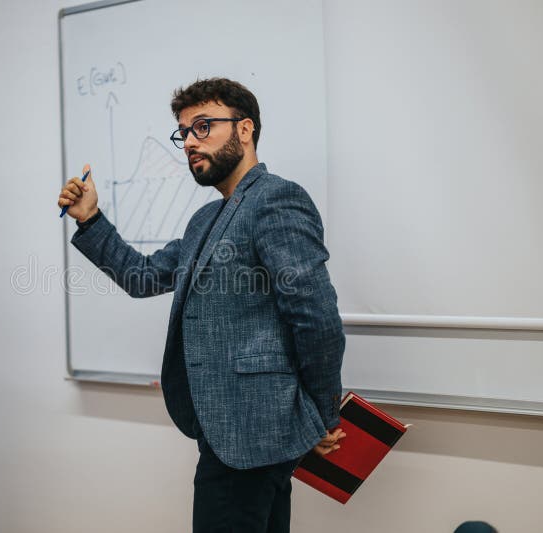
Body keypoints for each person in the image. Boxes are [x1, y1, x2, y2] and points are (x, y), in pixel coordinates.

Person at [58, 78, 345, 532]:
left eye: (203, 126)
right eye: (184, 132)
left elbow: (316, 317)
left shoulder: (276, 199)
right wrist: (91, 220)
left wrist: (322, 416)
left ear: (245, 129)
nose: (190, 141)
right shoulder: (206, 219)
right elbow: (143, 277)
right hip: (227, 434)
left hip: (252, 432)